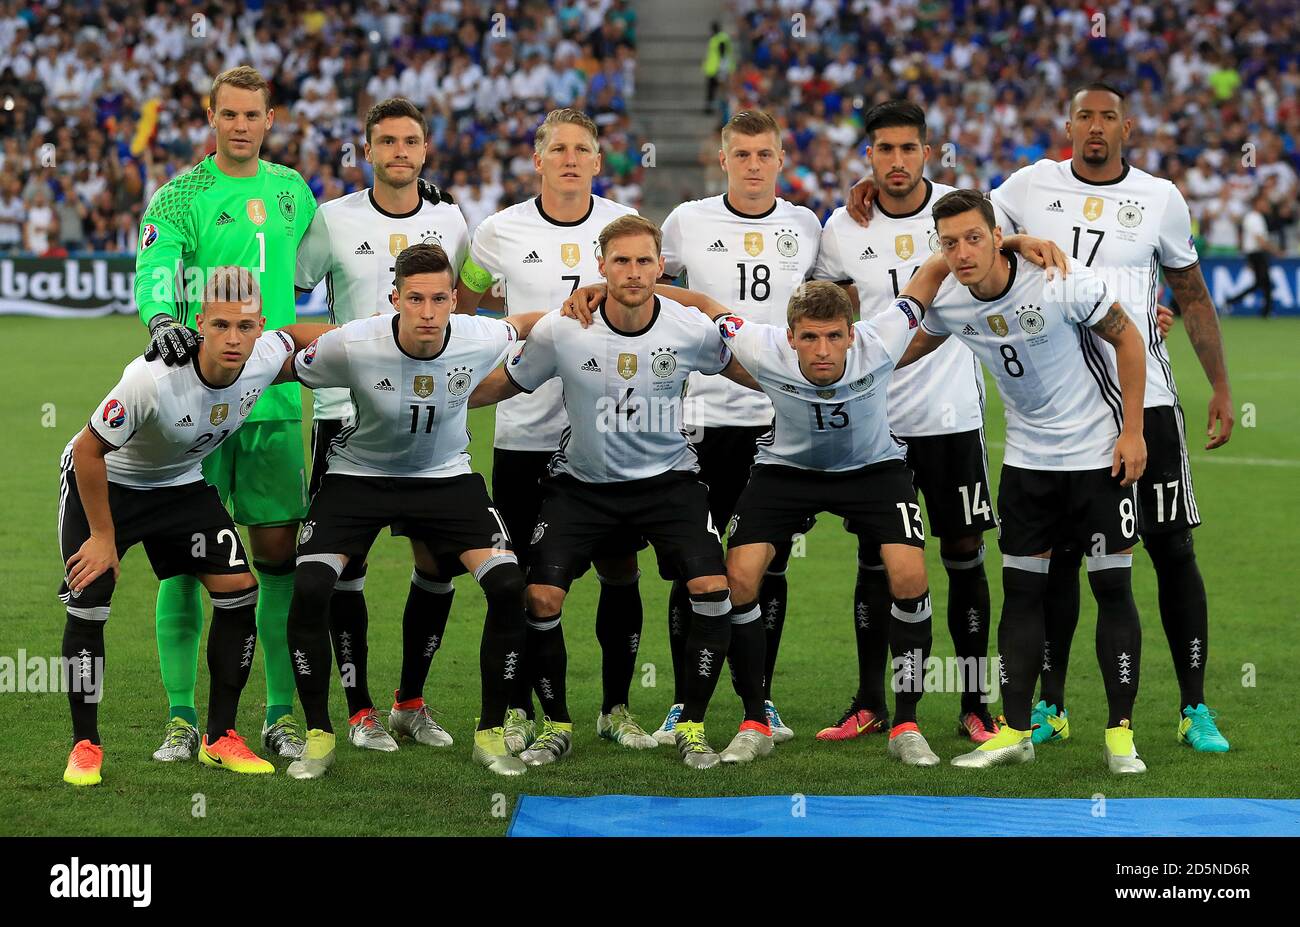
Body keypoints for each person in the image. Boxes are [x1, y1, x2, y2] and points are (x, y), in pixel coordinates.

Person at [847, 82, 1234, 755]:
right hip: (1053, 426)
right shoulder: (1028, 184)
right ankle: (1044, 709)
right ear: (1068, 123)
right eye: (1083, 114)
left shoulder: (1161, 197)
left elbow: (1192, 293)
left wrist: (1221, 387)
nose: (1094, 126)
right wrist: (876, 186)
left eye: (1107, 115)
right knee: (1049, 567)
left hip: (1146, 403)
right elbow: (965, 222)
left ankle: (1192, 706)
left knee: (1171, 550)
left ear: (1127, 127)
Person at [570, 109, 822, 746]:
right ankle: (687, 704)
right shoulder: (687, 221)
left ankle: (760, 705)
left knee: (768, 567)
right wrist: (611, 293)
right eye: (742, 155)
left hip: (781, 418)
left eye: (765, 155)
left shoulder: (807, 225)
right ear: (724, 159)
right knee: (696, 567)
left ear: (781, 159)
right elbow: (650, 286)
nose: (754, 166)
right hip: (705, 416)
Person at [469, 215, 752, 770]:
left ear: (660, 267)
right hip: (583, 486)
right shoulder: (562, 328)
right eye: (620, 261)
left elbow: (741, 367)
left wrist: (805, 386)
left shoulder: (688, 328)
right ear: (599, 267)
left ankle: (691, 725)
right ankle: (558, 724)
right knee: (541, 598)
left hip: (668, 482)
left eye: (644, 260)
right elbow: (508, 382)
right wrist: (438, 397)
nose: (633, 271)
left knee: (714, 590)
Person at [897, 190, 1152, 774]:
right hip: (1027, 466)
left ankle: (1119, 735)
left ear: (997, 235)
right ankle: (1015, 731)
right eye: (948, 243)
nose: (962, 252)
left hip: (1097, 458)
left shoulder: (1060, 281)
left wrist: (1133, 431)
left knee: (1112, 589)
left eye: (974, 238)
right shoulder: (953, 306)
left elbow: (1128, 339)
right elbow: (899, 350)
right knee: (1022, 593)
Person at [284, 243, 547, 779]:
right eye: (416, 299)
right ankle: (319, 734)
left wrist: (587, 299)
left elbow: (526, 322)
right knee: (310, 586)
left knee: (506, 585)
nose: (428, 313)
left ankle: (488, 732)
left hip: (443, 476)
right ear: (394, 300)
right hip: (359, 476)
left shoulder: (479, 336)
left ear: (455, 299)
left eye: (439, 299)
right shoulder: (355, 344)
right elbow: (283, 362)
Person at [58, 267, 328, 786]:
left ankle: (219, 737)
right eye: (222, 325)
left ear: (260, 326)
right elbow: (89, 450)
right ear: (199, 322)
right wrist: (103, 537)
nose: (234, 339)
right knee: (89, 596)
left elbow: (298, 336)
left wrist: (378, 332)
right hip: (108, 482)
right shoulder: (152, 377)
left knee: (240, 593)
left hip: (179, 484)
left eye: (246, 327)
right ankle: (85, 746)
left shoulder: (265, 356)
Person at [137, 66, 318, 763]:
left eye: (253, 114)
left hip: (272, 399)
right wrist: (160, 320)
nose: (241, 125)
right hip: (191, 403)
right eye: (229, 114)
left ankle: (276, 713)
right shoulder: (180, 196)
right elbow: (157, 271)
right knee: (185, 561)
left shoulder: (291, 190)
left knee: (277, 556)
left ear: (269, 119)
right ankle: (183, 718)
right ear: (210, 115)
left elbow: (327, 258)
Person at [457, 109, 652, 754]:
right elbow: (465, 307)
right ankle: (520, 708)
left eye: (583, 149)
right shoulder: (497, 232)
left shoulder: (623, 228)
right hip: (526, 434)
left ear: (599, 161)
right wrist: (526, 326)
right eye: (558, 149)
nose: (571, 159)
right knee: (526, 580)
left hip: (609, 438)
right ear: (537, 160)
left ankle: (615, 709)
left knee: (620, 570)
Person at [813, 100, 999, 745]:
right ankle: (871, 700)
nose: (897, 161)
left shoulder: (961, 212)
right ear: (868, 155)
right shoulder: (841, 227)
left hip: (949, 417)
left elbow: (1021, 256)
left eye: (908, 149)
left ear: (928, 150)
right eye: (884, 150)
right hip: (876, 424)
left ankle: (976, 701)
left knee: (964, 553)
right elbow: (832, 316)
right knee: (878, 560)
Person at [294, 96, 468, 753]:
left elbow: (467, 297)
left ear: (425, 150)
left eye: (411, 141)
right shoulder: (333, 219)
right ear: (367, 150)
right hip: (346, 417)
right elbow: (293, 287)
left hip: (433, 417)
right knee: (347, 563)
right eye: (387, 141)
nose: (399, 151)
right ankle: (359, 708)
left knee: (438, 561)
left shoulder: (451, 217)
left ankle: (410, 703)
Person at [1225, 190, 1278, 318]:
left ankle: (1266, 311)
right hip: (1256, 254)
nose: (1266, 205)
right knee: (1263, 283)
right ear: (1257, 203)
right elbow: (1260, 240)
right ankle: (1231, 302)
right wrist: (1276, 251)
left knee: (1263, 283)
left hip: (1256, 254)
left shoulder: (1256, 217)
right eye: (1264, 202)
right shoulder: (1254, 218)